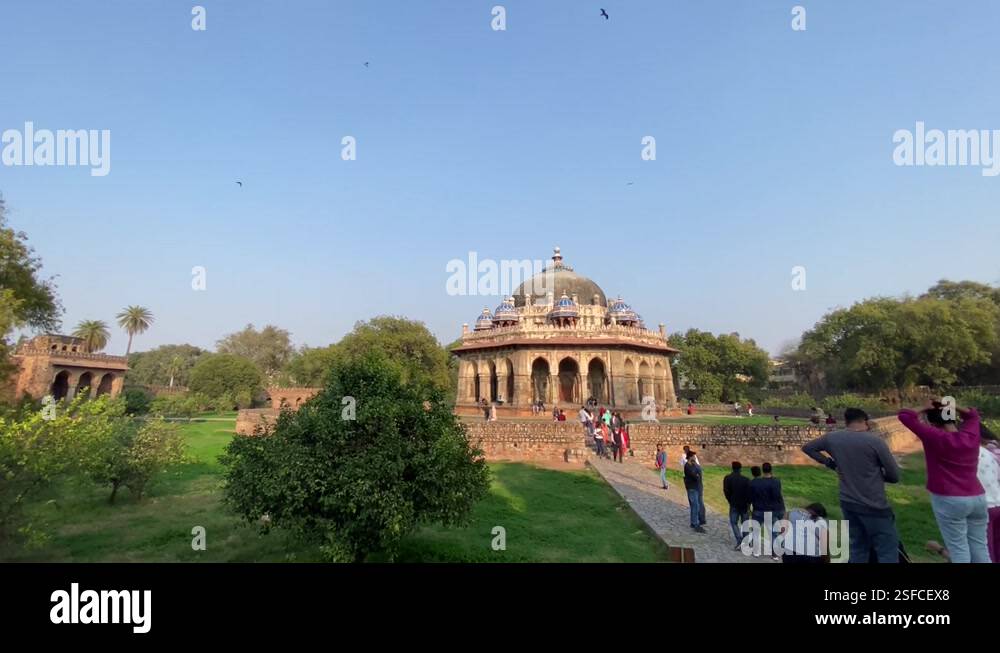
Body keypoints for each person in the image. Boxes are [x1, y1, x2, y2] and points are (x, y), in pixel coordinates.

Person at [802, 407, 902, 563]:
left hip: (848, 502)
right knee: (886, 549)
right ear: (865, 421)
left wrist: (830, 463)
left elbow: (808, 448)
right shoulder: (875, 442)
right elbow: (894, 476)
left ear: (846, 421)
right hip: (874, 504)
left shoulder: (832, 438)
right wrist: (878, 476)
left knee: (858, 547)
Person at [898, 400, 989, 563]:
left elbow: (905, 416)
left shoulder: (935, 436)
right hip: (978, 497)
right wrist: (949, 404)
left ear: (930, 422)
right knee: (980, 547)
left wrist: (924, 405)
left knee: (958, 549)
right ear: (954, 418)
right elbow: (972, 415)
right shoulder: (971, 435)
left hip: (949, 498)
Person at [750, 462, 786, 560]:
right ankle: (774, 554)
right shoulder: (776, 482)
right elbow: (778, 497)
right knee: (773, 533)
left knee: (756, 530)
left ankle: (756, 551)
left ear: (763, 470)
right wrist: (782, 510)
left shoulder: (755, 482)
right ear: (771, 470)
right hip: (771, 511)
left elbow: (751, 496)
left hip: (758, 510)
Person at [723, 461, 752, 550]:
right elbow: (749, 494)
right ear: (740, 469)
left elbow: (726, 491)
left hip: (734, 503)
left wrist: (730, 500)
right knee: (745, 523)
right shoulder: (746, 480)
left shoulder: (728, 478)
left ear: (732, 468)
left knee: (734, 522)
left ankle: (739, 540)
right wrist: (748, 503)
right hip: (744, 504)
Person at [982, 426, 1000, 562]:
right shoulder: (993, 453)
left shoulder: (984, 452)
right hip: (998, 501)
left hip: (984, 504)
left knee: (986, 548)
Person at [684, 451, 706, 533]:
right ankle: (695, 523)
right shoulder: (687, 466)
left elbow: (699, 472)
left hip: (695, 488)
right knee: (695, 506)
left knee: (695, 506)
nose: (695, 458)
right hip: (692, 488)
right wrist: (697, 475)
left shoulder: (693, 465)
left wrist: (697, 474)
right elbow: (695, 476)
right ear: (690, 457)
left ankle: (694, 522)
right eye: (693, 456)